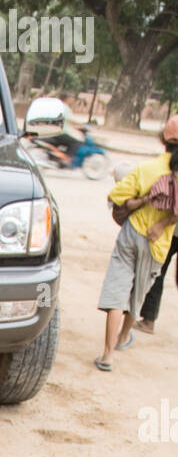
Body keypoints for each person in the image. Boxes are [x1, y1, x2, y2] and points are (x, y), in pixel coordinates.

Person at [95, 115, 178, 371]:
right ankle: (122, 339)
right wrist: (162, 224)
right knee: (138, 293)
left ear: (162, 139)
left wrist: (141, 200)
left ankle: (107, 355)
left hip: (132, 233)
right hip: (158, 243)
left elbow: (117, 195)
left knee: (118, 290)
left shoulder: (147, 168)